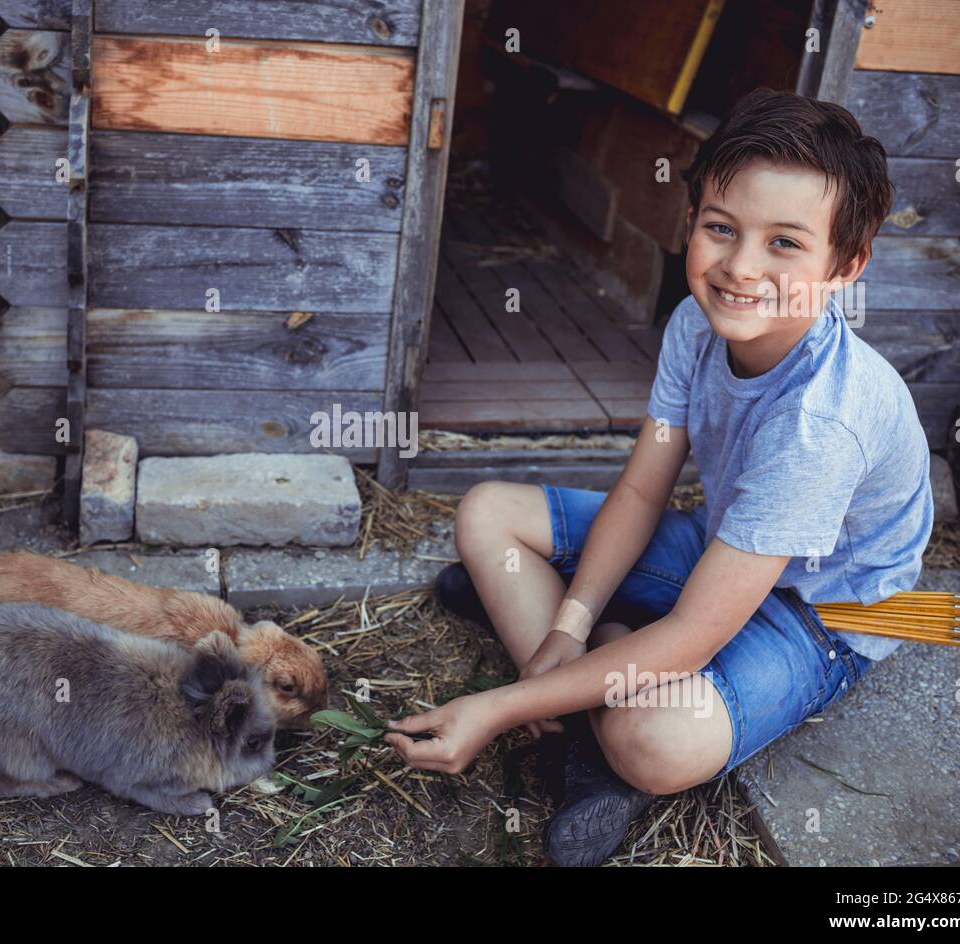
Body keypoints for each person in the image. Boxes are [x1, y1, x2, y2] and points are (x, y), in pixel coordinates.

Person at [385, 88, 931, 867]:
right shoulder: (694, 326)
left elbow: (694, 633)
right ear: (691, 222)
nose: (741, 267)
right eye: (721, 228)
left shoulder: (823, 420)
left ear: (846, 265)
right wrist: (569, 629)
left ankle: (592, 720)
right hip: (727, 551)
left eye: (785, 243)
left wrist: (496, 708)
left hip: (819, 617)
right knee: (487, 515)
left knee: (654, 742)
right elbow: (642, 491)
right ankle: (587, 675)